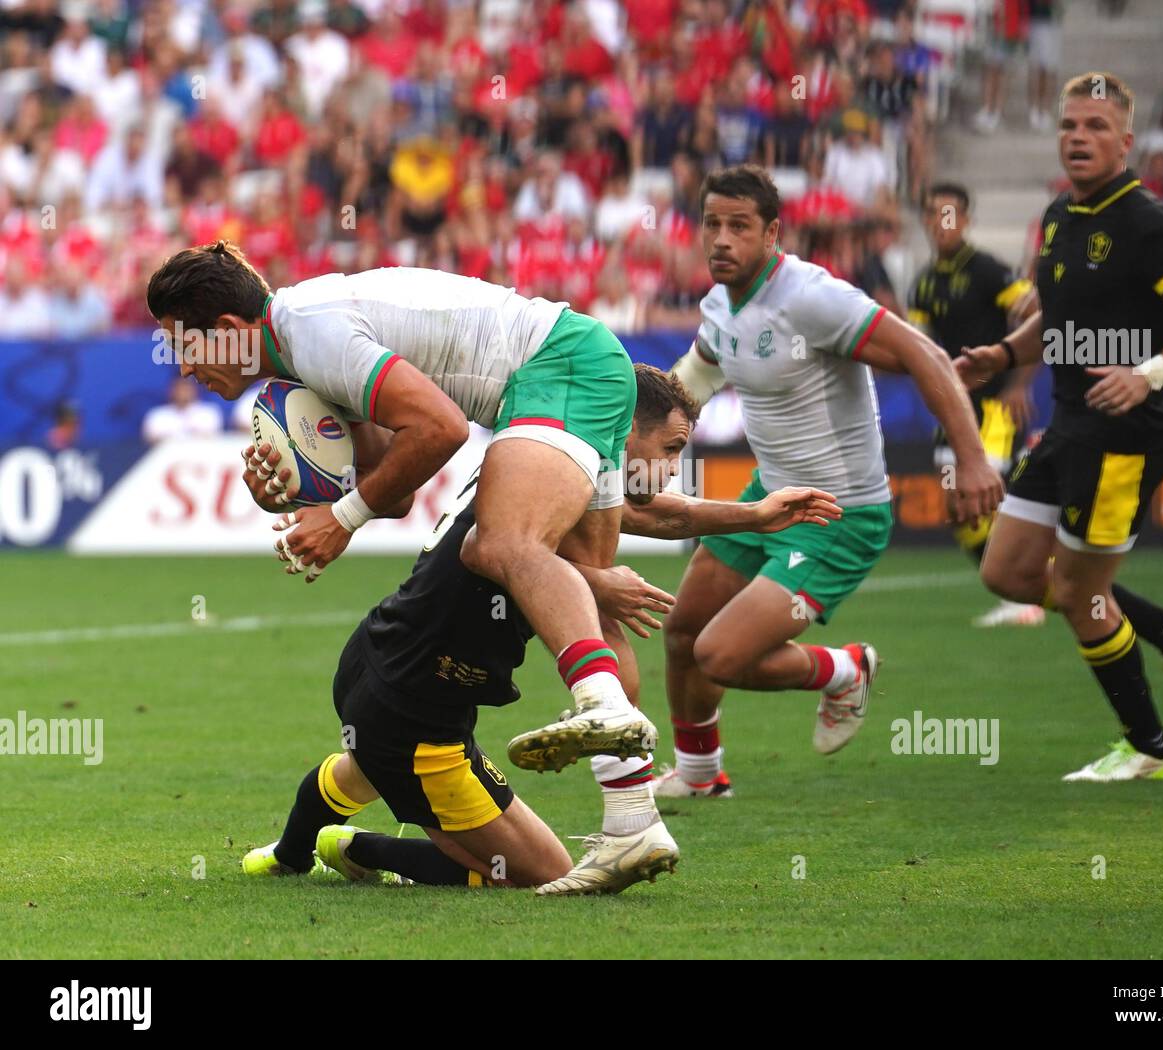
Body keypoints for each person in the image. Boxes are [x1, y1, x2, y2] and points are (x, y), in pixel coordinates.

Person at [241, 365, 844, 893]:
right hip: (419, 705)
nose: (673, 467)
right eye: (670, 448)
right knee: (542, 869)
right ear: (624, 426)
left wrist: (758, 515)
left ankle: (288, 856)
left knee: (369, 764)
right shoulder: (556, 479)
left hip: (380, 663)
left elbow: (660, 511)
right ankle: (349, 848)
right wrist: (596, 582)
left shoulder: (545, 464)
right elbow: (486, 550)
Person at [146, 242, 657, 787]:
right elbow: (396, 494)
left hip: (559, 366)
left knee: (500, 545)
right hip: (572, 365)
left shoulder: (314, 335)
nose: (182, 366)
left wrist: (341, 519)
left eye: (186, 345)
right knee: (591, 602)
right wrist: (299, 496)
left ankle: (600, 701)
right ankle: (633, 823)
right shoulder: (302, 353)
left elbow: (443, 429)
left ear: (226, 326)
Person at [635, 164, 1003, 799]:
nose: (721, 239)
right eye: (712, 224)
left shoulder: (811, 296)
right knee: (684, 633)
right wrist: (634, 445)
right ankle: (699, 775)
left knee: (719, 654)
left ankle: (844, 670)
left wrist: (971, 459)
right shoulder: (721, 304)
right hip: (770, 496)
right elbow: (691, 383)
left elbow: (925, 354)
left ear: (773, 232)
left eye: (739, 227)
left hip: (839, 514)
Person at [958, 73, 1163, 782]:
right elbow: (1056, 316)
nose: (1078, 137)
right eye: (1069, 125)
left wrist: (1147, 373)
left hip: (1125, 437)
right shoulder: (1060, 215)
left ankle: (1151, 749)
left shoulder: (1145, 223)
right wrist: (1003, 352)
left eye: (1095, 126)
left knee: (1082, 596)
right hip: (1069, 426)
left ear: (1125, 141)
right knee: (1009, 570)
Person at [908, 181, 1043, 627]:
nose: (941, 223)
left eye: (950, 214)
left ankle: (1025, 592)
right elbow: (919, 349)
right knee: (957, 509)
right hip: (953, 409)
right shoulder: (923, 284)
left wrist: (1018, 386)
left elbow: (1039, 319)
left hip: (993, 409)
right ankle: (1022, 587)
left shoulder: (988, 271)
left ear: (965, 220)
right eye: (933, 214)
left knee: (978, 497)